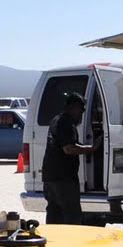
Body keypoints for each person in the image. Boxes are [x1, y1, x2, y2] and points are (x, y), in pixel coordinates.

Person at [42, 92, 99, 224]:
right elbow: (69, 149)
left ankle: (53, 241)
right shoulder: (65, 123)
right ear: (74, 107)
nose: (82, 113)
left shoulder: (57, 120)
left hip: (51, 177)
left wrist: (86, 146)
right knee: (72, 215)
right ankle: (72, 242)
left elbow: (70, 144)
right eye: (81, 110)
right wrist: (91, 149)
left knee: (54, 213)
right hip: (63, 179)